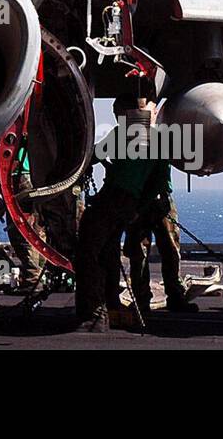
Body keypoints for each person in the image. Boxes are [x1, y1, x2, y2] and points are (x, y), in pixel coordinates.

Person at [75, 96, 169, 333]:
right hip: (129, 202)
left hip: (113, 197)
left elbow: (91, 157)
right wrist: (137, 208)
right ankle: (110, 304)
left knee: (89, 250)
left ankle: (95, 314)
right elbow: (159, 182)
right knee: (108, 252)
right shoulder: (161, 140)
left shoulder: (122, 132)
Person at [122, 171, 198, 312]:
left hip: (153, 195)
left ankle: (169, 298)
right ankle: (143, 299)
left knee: (170, 250)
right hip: (142, 196)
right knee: (141, 253)